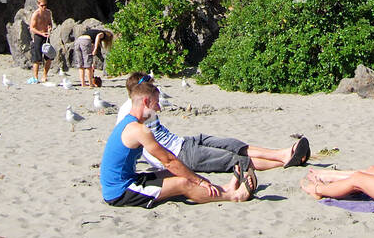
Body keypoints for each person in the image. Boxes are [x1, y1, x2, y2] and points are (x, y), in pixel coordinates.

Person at [99, 78, 256, 208]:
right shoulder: (138, 129)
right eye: (156, 103)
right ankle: (234, 196)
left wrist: (195, 178)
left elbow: (171, 165)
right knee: (183, 182)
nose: (159, 108)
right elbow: (168, 160)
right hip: (120, 192)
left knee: (178, 173)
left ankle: (223, 189)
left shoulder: (129, 122)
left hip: (129, 179)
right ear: (146, 101)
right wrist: (199, 180)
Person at [118, 74, 310, 174]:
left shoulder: (144, 106)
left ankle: (282, 153)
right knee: (231, 159)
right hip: (180, 155)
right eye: (152, 88)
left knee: (232, 144)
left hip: (184, 142)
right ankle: (283, 162)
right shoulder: (129, 112)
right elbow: (126, 145)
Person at [28, 0, 54, 83]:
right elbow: (32, 28)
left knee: (49, 56)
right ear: (38, 5)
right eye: (42, 5)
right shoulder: (36, 14)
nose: (44, 7)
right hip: (38, 36)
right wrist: (41, 33)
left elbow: (50, 23)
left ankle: (45, 75)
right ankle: (35, 77)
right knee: (37, 58)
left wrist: (50, 27)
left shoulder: (48, 13)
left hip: (46, 36)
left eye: (45, 5)